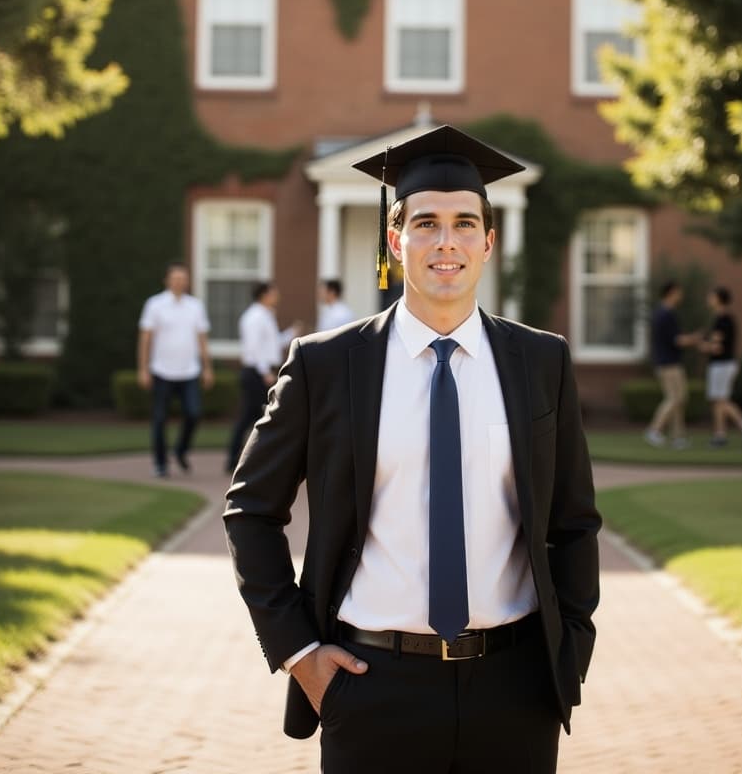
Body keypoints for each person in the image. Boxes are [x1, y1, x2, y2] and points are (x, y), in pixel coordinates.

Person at [224, 125, 601, 774]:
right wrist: (301, 656)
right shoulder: (327, 365)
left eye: (463, 223)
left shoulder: (541, 362)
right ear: (395, 241)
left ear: (489, 242)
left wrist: (570, 653)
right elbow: (251, 511)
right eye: (425, 223)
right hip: (371, 686)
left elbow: (574, 522)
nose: (445, 241)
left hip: (516, 690)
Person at [137, 263, 213, 477]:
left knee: (194, 413)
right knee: (160, 419)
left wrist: (207, 367)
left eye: (183, 278)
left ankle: (180, 450)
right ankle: (160, 463)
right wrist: (143, 369)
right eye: (175, 278)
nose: (179, 281)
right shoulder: (154, 305)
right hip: (162, 371)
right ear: (167, 280)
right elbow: (145, 338)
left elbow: (202, 338)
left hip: (189, 371)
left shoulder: (195, 306)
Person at [226, 281, 303, 472]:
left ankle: (251, 458)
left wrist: (291, 334)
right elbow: (253, 348)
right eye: (273, 293)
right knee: (253, 416)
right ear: (264, 295)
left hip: (263, 371)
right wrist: (264, 372)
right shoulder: (254, 317)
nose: (277, 296)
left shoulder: (267, 316)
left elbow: (273, 344)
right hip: (256, 373)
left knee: (258, 416)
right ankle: (237, 459)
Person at [644, 280, 699, 449]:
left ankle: (678, 437)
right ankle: (654, 430)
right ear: (671, 292)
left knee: (679, 400)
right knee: (675, 398)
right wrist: (695, 339)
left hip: (666, 362)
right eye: (678, 292)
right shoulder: (666, 314)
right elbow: (677, 340)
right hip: (669, 363)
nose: (680, 296)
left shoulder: (661, 313)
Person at [700, 285, 742, 448]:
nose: (709, 299)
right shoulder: (724, 319)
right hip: (723, 365)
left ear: (718, 299)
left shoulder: (722, 320)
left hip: (721, 365)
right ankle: (721, 434)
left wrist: (703, 346)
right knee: (718, 400)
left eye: (711, 296)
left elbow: (717, 347)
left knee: (720, 400)